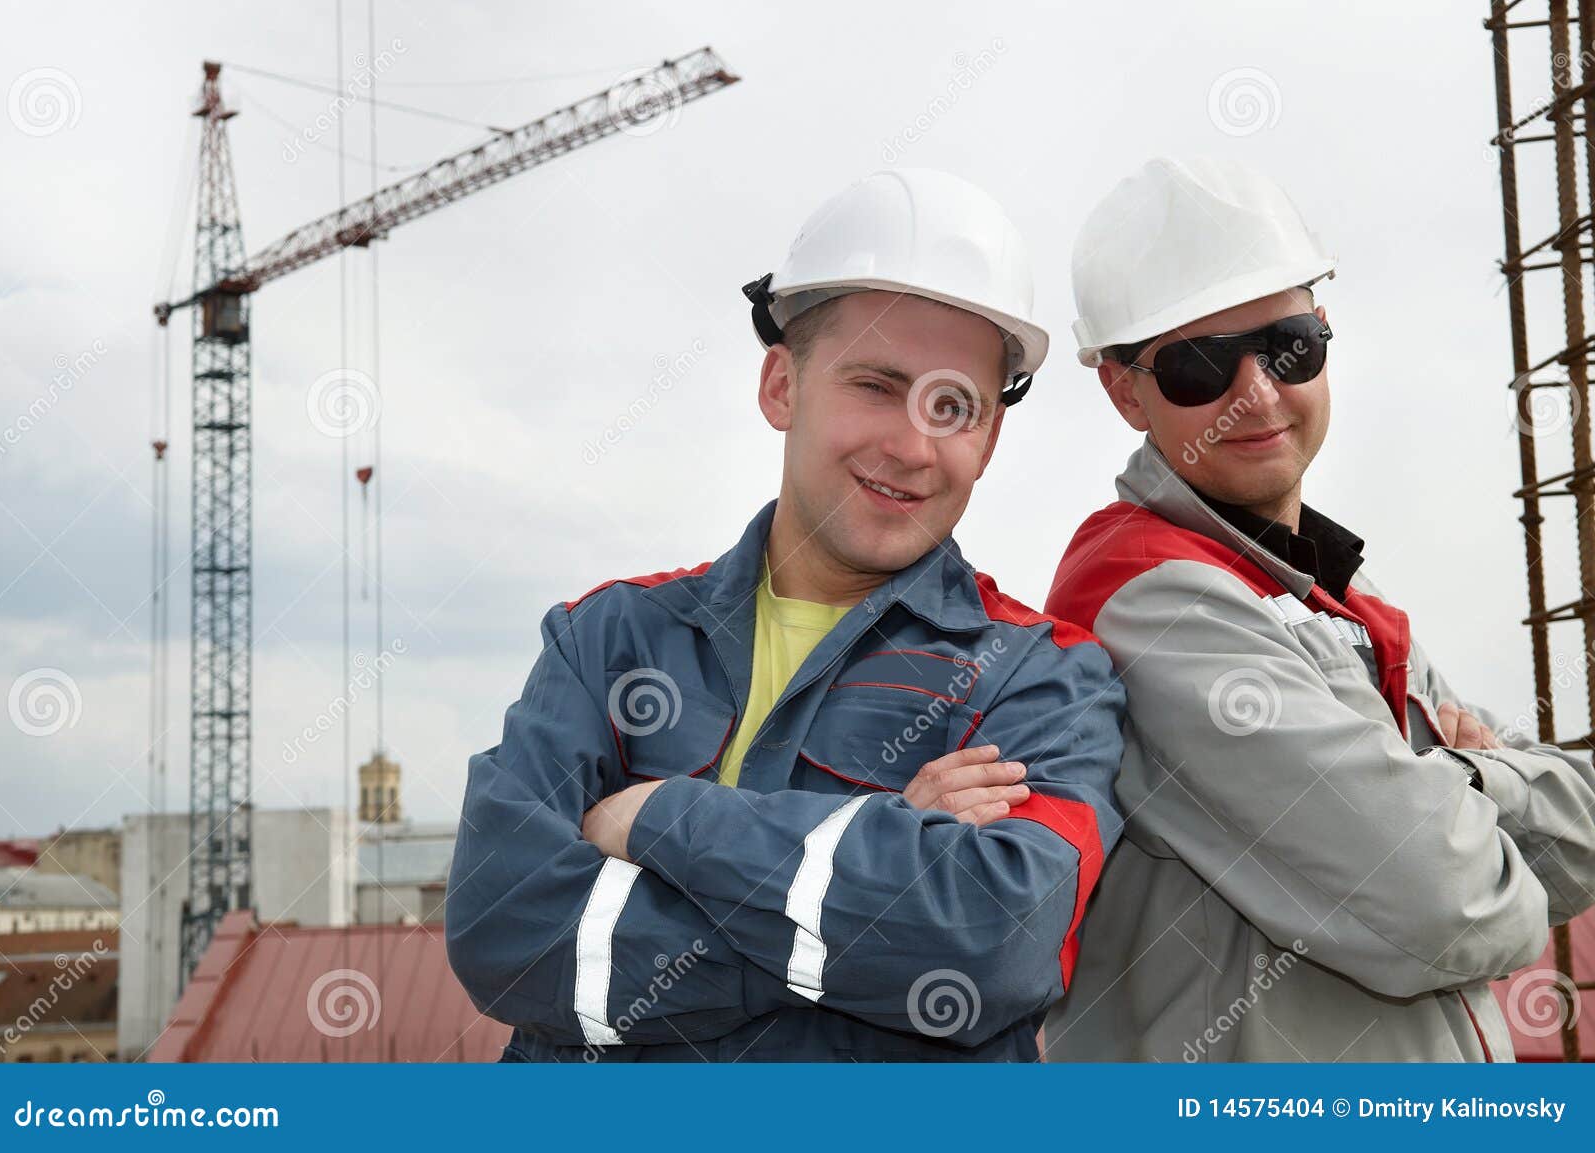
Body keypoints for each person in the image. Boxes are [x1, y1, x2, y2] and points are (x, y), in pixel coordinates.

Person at [446, 168, 1126, 1062]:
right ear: (781, 387)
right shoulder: (605, 642)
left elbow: (994, 941)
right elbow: (503, 932)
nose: (912, 446)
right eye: (877, 385)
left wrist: (657, 818)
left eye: (954, 407)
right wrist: (881, 867)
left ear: (989, 440)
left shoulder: (1045, 676)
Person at [1042, 155, 1595, 1062]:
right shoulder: (1151, 601)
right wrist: (1473, 776)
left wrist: (1454, 789)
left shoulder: (1338, 593)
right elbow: (1443, 903)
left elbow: (1582, 842)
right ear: (1124, 389)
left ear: (1325, 333)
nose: (1256, 393)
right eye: (1198, 367)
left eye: (1288, 345)